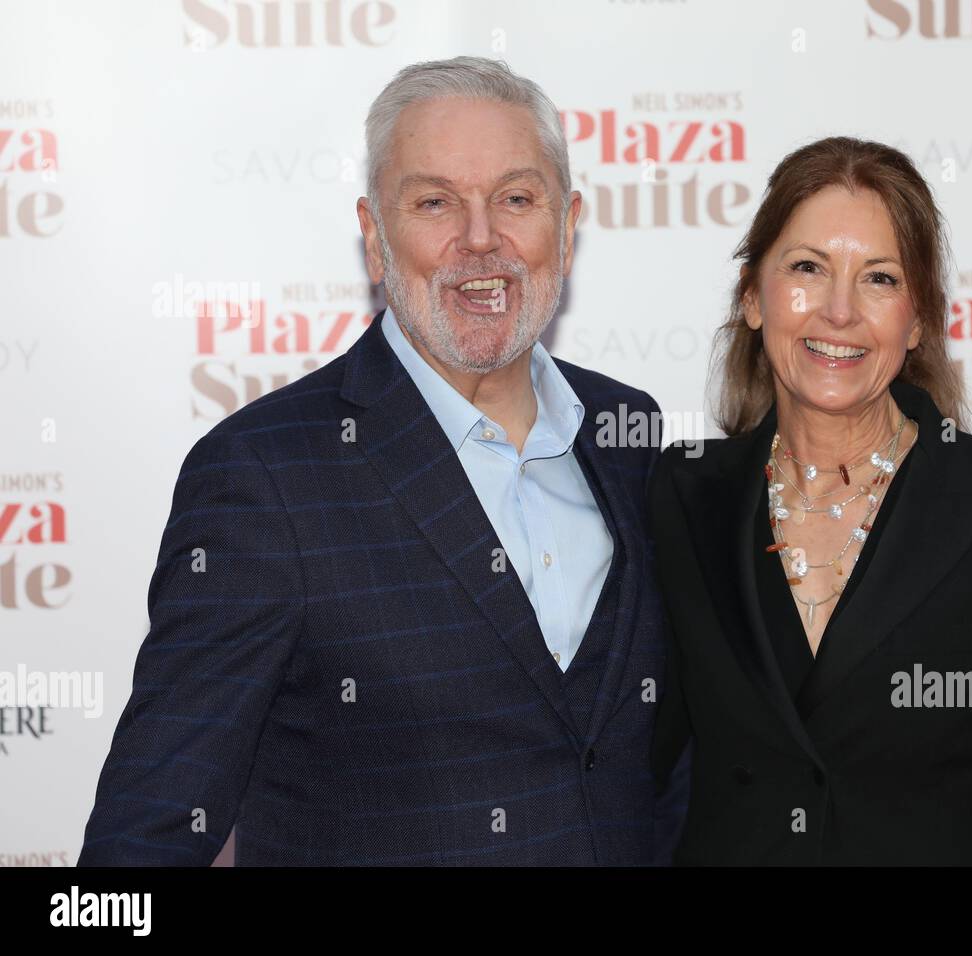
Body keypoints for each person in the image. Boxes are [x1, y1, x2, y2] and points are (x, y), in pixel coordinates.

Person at [79, 57, 668, 866]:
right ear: (373, 235)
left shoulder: (628, 434)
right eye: (434, 202)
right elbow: (144, 840)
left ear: (566, 226)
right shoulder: (265, 479)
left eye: (516, 199)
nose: (480, 238)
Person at [649, 137, 972, 865]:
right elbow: (644, 768)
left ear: (916, 320)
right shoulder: (682, 496)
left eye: (878, 279)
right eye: (807, 267)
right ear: (752, 296)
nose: (839, 311)